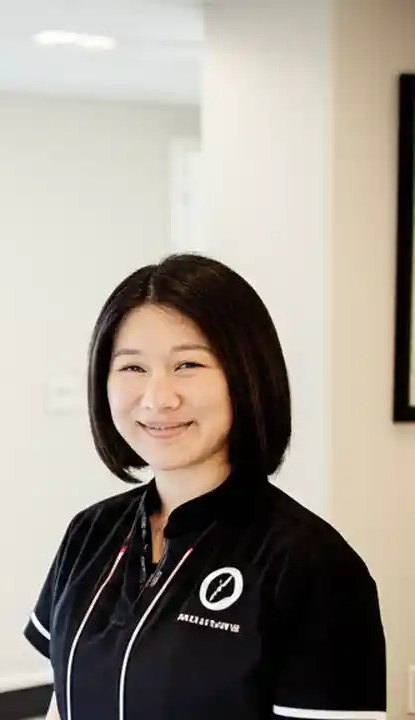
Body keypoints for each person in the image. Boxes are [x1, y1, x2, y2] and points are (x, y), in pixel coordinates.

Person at [24, 254, 386, 719]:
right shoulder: (90, 532)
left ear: (247, 375)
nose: (157, 398)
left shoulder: (313, 566)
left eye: (188, 364)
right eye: (133, 368)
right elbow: (62, 702)